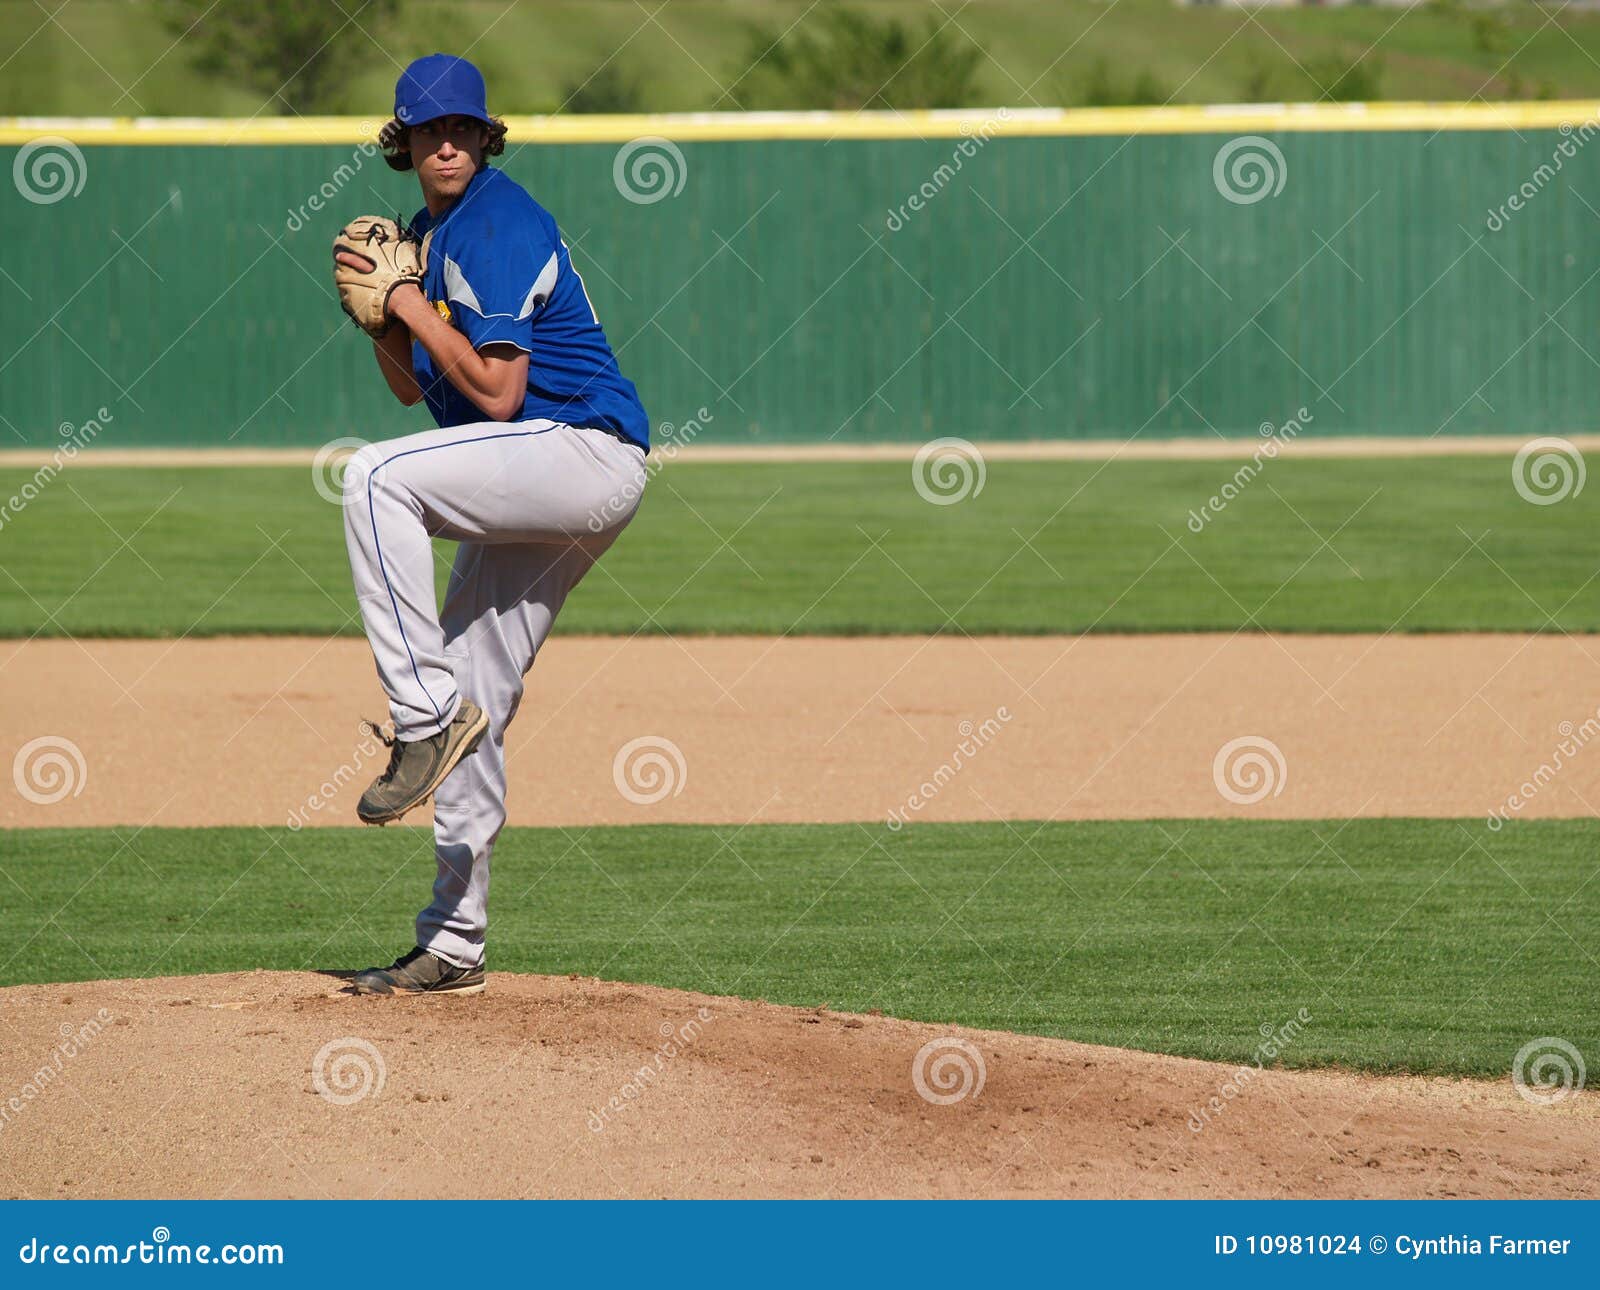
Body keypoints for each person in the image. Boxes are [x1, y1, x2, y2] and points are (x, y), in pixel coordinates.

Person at [332, 53, 649, 995]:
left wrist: (403, 302)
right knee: (479, 699)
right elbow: (412, 386)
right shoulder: (431, 240)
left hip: (581, 450)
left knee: (372, 479)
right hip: (545, 469)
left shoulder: (497, 221)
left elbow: (500, 393)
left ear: (484, 135)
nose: (447, 144)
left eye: (463, 128)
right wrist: (387, 322)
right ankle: (453, 944)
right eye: (428, 131)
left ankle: (421, 717)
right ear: (405, 145)